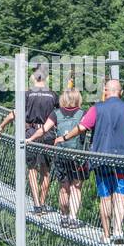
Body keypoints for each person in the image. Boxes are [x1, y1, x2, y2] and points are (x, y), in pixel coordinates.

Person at [55, 78, 124, 244]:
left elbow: (81, 128)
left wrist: (63, 137)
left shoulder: (96, 109)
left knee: (105, 196)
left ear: (105, 92)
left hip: (101, 159)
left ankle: (106, 235)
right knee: (120, 194)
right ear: (121, 93)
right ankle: (118, 232)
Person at [0, 64, 57, 214]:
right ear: (46, 77)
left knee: (32, 170)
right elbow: (59, 115)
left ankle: (36, 205)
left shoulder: (27, 94)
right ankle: (42, 203)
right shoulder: (53, 95)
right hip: (48, 134)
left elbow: (14, 114)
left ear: (33, 77)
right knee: (46, 170)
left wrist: (1, 127)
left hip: (31, 133)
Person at [37, 88, 87, 227]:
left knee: (64, 187)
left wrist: (30, 139)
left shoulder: (56, 113)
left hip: (61, 154)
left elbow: (44, 129)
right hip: (78, 156)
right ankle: (73, 218)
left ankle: (64, 216)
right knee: (76, 187)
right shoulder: (83, 113)